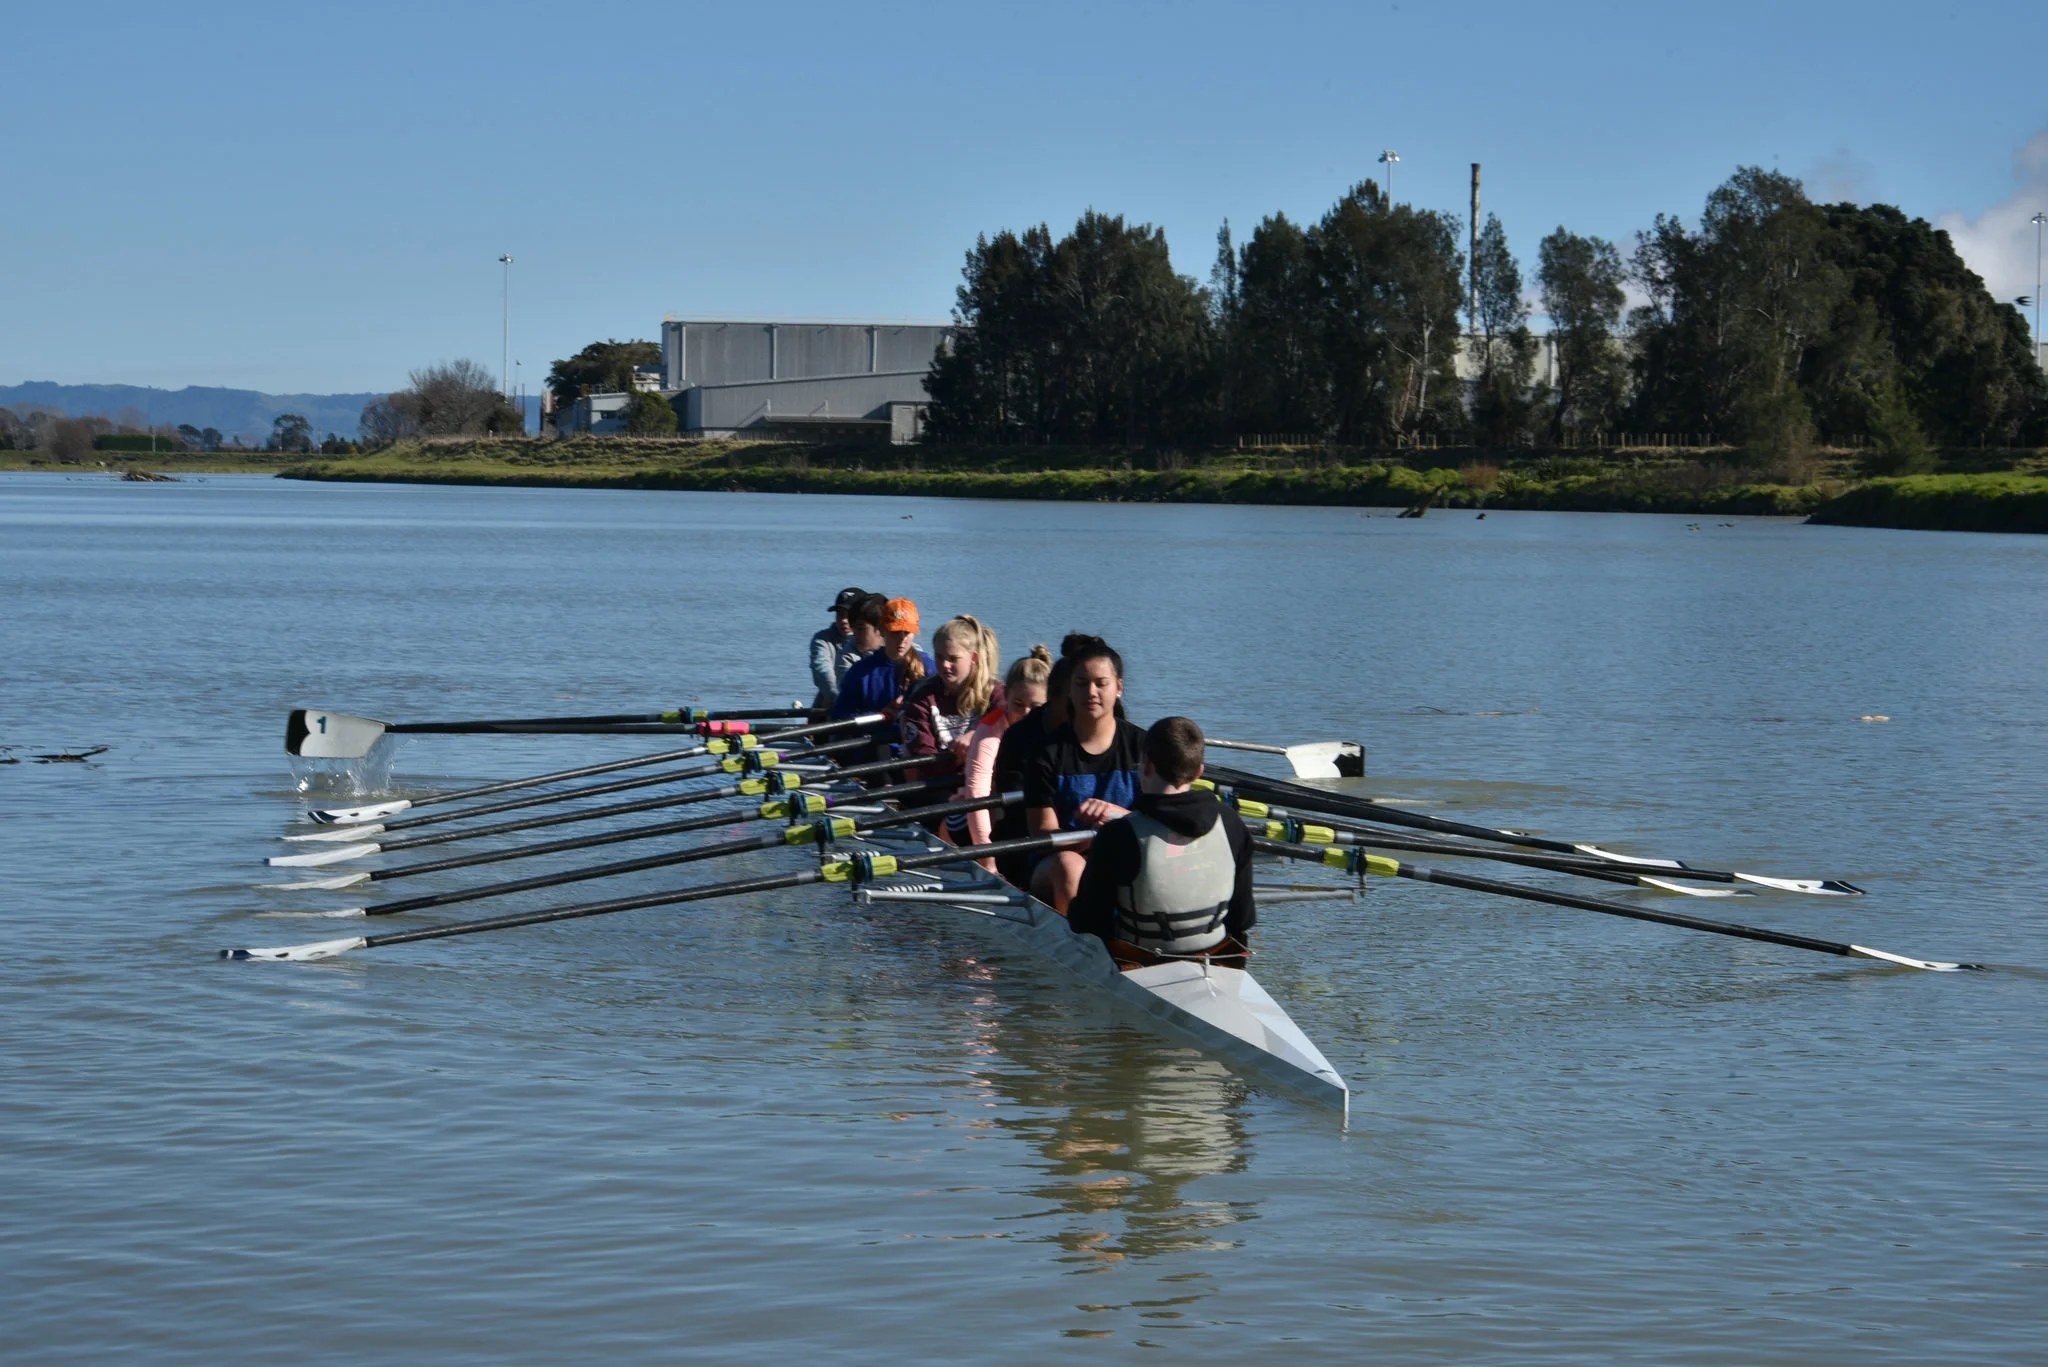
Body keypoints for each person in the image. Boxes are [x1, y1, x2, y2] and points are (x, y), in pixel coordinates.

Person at [1066, 716, 1257, 958]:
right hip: (1217, 957)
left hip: (1139, 960)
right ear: (1199, 772)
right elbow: (1243, 918)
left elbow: (1087, 923)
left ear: (1145, 766)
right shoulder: (1231, 823)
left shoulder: (1118, 835)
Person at [1024, 636, 1147, 912]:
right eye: (1081, 684)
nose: (1091, 692)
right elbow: (1043, 836)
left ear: (1118, 688)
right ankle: (1084, 940)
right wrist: (1094, 836)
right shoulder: (1045, 753)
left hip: (1122, 853)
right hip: (1058, 861)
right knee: (1071, 866)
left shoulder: (1143, 747)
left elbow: (1159, 820)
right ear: (1069, 690)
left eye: (1101, 684)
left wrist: (1117, 818)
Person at [958, 645, 1052, 860]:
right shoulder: (989, 730)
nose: (1026, 714)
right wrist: (987, 857)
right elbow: (978, 796)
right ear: (1006, 695)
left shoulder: (1055, 730)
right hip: (985, 808)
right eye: (1018, 704)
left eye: (1035, 707)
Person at [900, 615, 1000, 780]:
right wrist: (959, 760)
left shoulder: (996, 693)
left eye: (953, 659)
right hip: (938, 785)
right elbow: (924, 758)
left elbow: (1009, 725)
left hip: (984, 781)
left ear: (973, 659)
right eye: (939, 657)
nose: (945, 665)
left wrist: (976, 735)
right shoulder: (922, 698)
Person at [830, 596, 933, 722]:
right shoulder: (860, 672)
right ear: (882, 631)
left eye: (907, 633)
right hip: (875, 739)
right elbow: (839, 717)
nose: (902, 640)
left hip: (916, 739)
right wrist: (881, 715)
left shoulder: (929, 668)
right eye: (895, 632)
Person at [826, 594, 892, 720]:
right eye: (854, 629)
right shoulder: (847, 657)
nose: (854, 635)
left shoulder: (911, 653)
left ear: (881, 629)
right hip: (864, 729)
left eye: (861, 629)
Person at [809, 586, 867, 708]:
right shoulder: (822, 639)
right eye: (840, 614)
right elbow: (823, 672)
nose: (844, 620)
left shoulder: (877, 638)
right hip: (833, 703)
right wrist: (841, 700)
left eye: (849, 615)